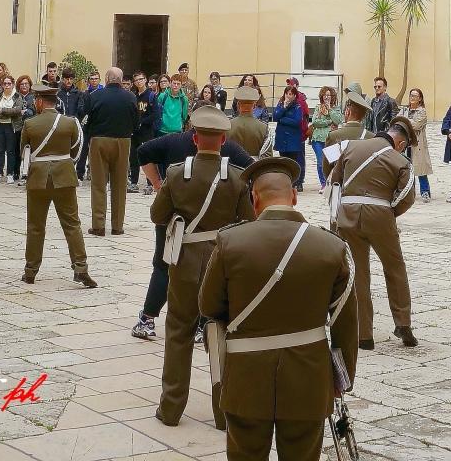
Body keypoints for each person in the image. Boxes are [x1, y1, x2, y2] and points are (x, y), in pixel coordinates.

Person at [199, 155, 360, 461]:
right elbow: (346, 324)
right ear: (294, 197)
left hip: (246, 377)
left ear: (254, 199)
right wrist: (341, 379)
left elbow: (208, 305)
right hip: (308, 380)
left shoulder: (230, 242)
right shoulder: (331, 247)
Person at [150, 105, 254, 428]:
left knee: (179, 331)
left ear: (195, 139)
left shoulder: (176, 173)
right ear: (223, 140)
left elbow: (157, 214)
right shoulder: (236, 178)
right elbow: (249, 222)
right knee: (220, 331)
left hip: (184, 261)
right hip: (221, 263)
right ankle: (222, 413)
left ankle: (170, 408)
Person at [130, 125, 257, 342]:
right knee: (209, 271)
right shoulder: (230, 149)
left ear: (193, 131)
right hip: (211, 226)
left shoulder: (173, 141)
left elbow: (142, 152)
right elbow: (254, 170)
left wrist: (158, 184)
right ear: (221, 136)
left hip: (174, 222)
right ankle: (202, 324)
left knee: (163, 267)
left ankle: (148, 319)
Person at [327, 99, 417, 350]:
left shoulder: (351, 147)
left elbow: (335, 180)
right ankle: (403, 323)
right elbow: (406, 196)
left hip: (347, 213)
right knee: (394, 267)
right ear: (400, 143)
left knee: (358, 273)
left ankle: (363, 334)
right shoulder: (401, 162)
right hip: (380, 215)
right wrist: (388, 213)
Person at [21, 80, 95, 286]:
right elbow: (77, 151)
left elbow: (23, 152)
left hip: (38, 179)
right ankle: (80, 267)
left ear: (39, 102)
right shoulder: (70, 122)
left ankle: (30, 270)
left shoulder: (30, 124)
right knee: (72, 224)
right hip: (64, 176)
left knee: (36, 226)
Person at [85, 67, 139, 235]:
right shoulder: (131, 97)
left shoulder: (94, 96)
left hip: (99, 140)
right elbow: (136, 122)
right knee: (120, 184)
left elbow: (86, 120)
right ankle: (117, 226)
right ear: (121, 80)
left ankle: (98, 225)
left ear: (106, 79)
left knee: (99, 184)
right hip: (123, 141)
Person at [0, 74, 34, 183]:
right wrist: (11, 112)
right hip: (16, 126)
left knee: (26, 150)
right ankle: (15, 172)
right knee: (15, 150)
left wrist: (3, 110)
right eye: (22, 84)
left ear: (30, 85)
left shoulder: (32, 97)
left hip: (28, 126)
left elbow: (29, 111)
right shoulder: (16, 96)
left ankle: (26, 172)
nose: (24, 86)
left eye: (26, 84)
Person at [270, 85, 307, 189]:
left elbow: (297, 121)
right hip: (282, 138)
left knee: (293, 161)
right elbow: (275, 117)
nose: (288, 96)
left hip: (293, 139)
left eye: (290, 94)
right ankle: (285, 181)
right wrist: (284, 108)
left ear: (294, 95)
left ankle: (295, 181)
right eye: (287, 93)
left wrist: (283, 120)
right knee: (283, 161)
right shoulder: (281, 104)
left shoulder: (298, 107)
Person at [399, 88, 433, 200]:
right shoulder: (404, 110)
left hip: (417, 144)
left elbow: (416, 125)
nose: (412, 98)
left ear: (420, 99)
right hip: (405, 143)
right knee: (407, 169)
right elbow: (397, 120)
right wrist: (404, 121)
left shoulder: (422, 111)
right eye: (411, 95)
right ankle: (409, 192)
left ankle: (425, 191)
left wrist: (404, 121)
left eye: (415, 96)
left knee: (420, 168)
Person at [130, 71, 158, 189]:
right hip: (134, 132)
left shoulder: (151, 95)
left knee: (147, 157)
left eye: (140, 79)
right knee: (133, 157)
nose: (139, 82)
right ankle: (134, 182)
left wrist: (143, 122)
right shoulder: (133, 96)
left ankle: (150, 183)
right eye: (136, 80)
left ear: (145, 80)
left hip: (147, 131)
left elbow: (156, 114)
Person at [308, 87, 341, 187]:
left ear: (332, 97)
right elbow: (315, 122)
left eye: (328, 95)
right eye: (324, 95)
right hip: (317, 139)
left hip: (331, 139)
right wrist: (328, 122)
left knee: (332, 162)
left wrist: (330, 109)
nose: (326, 97)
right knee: (320, 162)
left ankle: (330, 182)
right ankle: (323, 184)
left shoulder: (336, 108)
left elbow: (338, 120)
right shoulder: (318, 108)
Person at [227, 85, 268, 156]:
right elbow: (267, 155)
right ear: (254, 106)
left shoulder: (228, 125)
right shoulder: (263, 127)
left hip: (233, 166)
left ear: (238, 105)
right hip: (254, 165)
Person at [157, 72, 192, 136]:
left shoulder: (184, 99)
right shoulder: (162, 96)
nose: (176, 85)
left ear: (181, 85)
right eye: (174, 83)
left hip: (177, 131)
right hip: (162, 130)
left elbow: (184, 116)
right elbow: (157, 112)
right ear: (170, 84)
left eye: (178, 84)